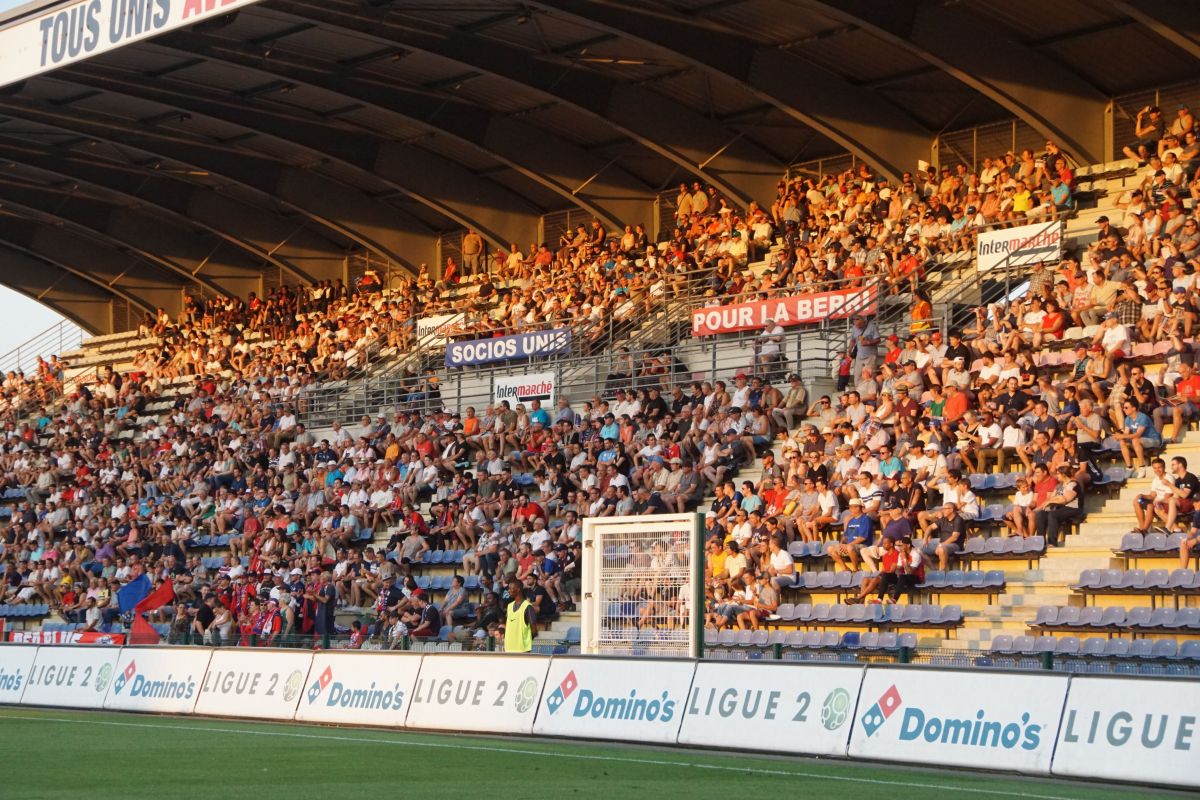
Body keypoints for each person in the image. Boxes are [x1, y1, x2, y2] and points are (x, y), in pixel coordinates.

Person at [503, 579, 535, 653]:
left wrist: (525, 640)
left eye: (510, 588)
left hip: (522, 650)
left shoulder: (527, 606)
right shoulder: (509, 606)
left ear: (518, 590)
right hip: (509, 648)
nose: (508, 590)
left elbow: (534, 630)